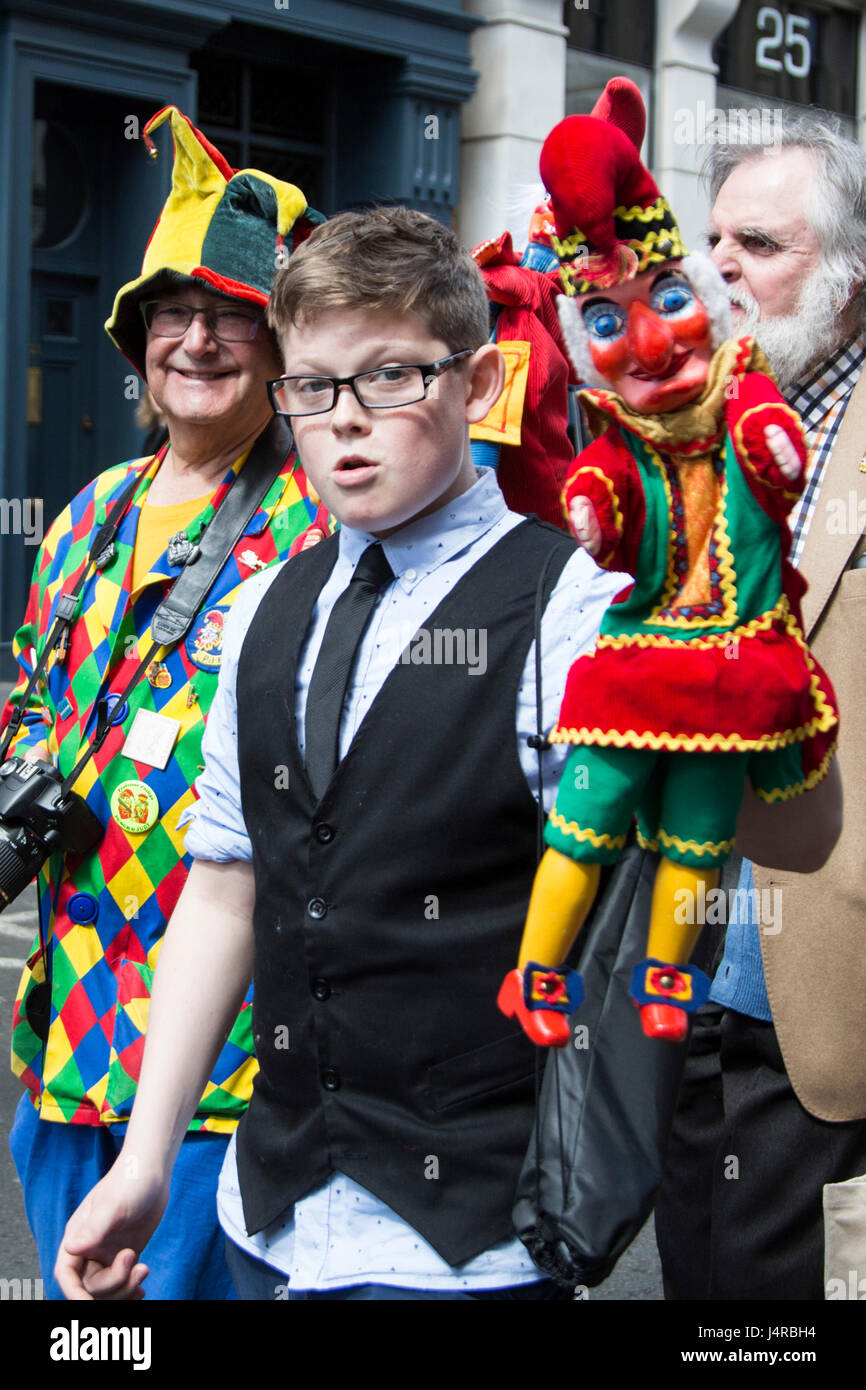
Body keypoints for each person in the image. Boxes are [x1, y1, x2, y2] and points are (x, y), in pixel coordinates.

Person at [5, 105, 323, 1300]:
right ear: (136, 341)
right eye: (172, 318)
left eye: (230, 320)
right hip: (68, 1026)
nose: (196, 341)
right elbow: (35, 695)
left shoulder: (320, 525)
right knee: (88, 1320)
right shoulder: (87, 514)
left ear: (278, 351)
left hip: (225, 1045)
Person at [654, 109, 866, 1301]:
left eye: (758, 245)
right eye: (714, 240)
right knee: (699, 1283)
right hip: (678, 961)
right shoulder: (689, 435)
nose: (718, 267)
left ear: (846, 279)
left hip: (823, 983)